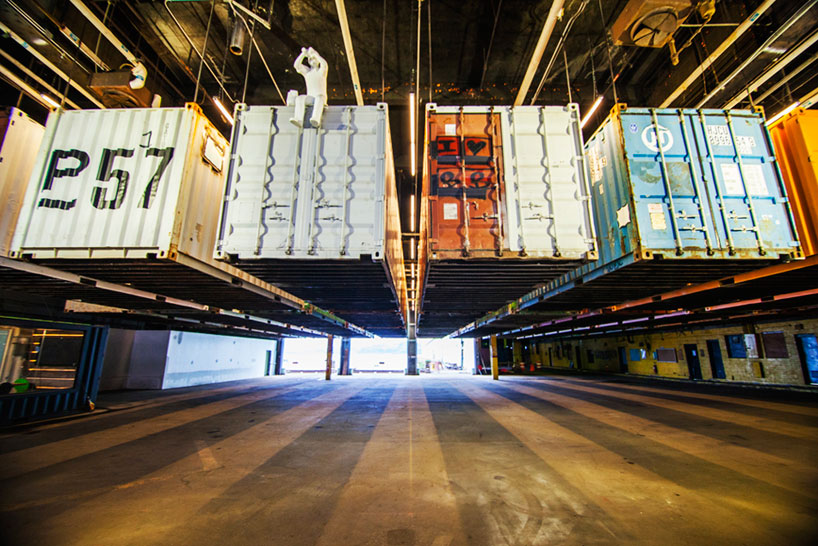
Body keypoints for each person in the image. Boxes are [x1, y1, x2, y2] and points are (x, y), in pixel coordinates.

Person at [290, 47, 328, 128]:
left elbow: (324, 65)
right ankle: (298, 119)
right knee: (300, 98)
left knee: (319, 98)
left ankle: (316, 118)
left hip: (320, 98)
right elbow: (296, 65)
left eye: (314, 59)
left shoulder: (321, 71)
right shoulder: (307, 72)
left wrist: (315, 55)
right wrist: (303, 54)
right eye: (310, 59)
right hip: (311, 98)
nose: (312, 60)